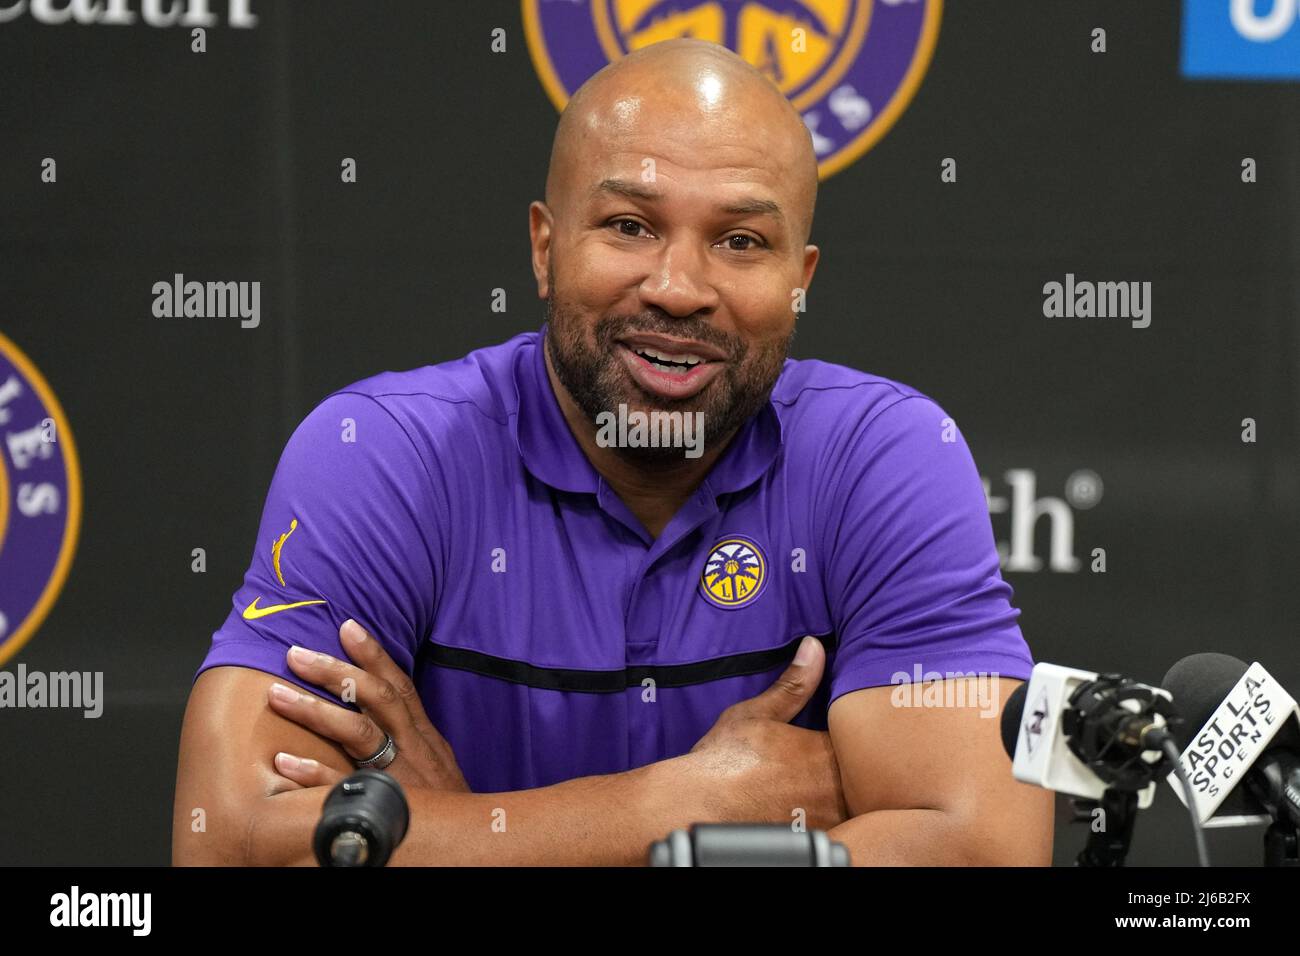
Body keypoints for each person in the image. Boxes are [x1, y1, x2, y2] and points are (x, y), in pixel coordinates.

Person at [172, 38, 1053, 866]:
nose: (678, 289)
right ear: (545, 248)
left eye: (740, 241)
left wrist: (457, 837)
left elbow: (983, 848)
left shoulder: (883, 456)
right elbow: (232, 841)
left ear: (800, 280)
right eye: (630, 225)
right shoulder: (381, 452)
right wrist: (678, 809)